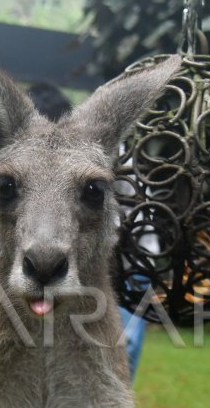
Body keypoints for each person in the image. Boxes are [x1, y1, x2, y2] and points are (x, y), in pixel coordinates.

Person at [27, 81, 147, 381]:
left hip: (131, 256)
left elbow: (135, 207)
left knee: (122, 343)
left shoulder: (104, 148)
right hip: (77, 258)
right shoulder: (34, 158)